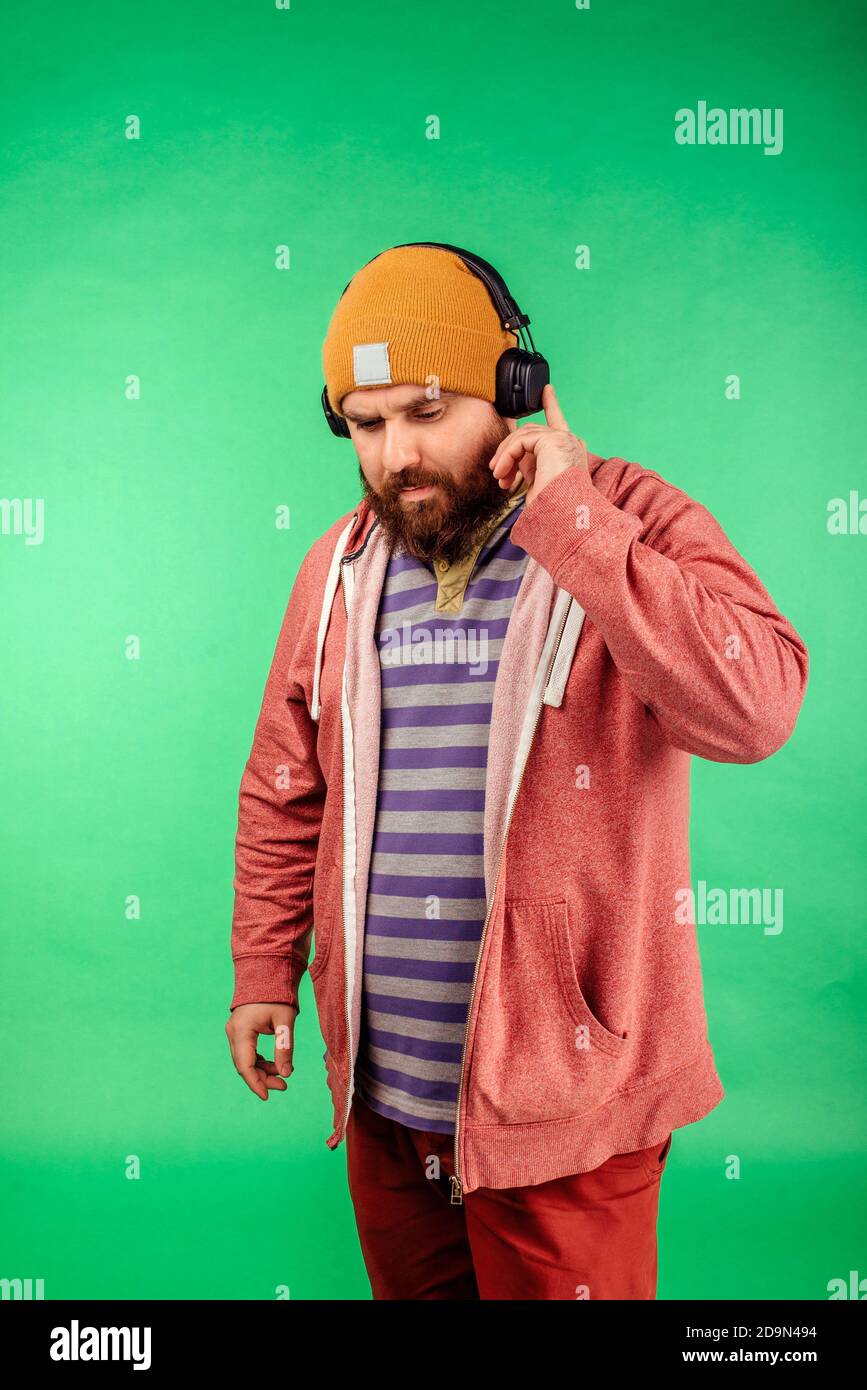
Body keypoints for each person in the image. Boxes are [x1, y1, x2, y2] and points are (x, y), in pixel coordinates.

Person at [225, 243, 809, 1299]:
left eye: (426, 411)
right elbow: (285, 783)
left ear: (515, 392)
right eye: (365, 424)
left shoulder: (624, 515)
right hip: (389, 1103)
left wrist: (576, 520)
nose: (395, 454)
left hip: (568, 1111)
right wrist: (265, 973)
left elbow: (757, 703)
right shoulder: (338, 569)